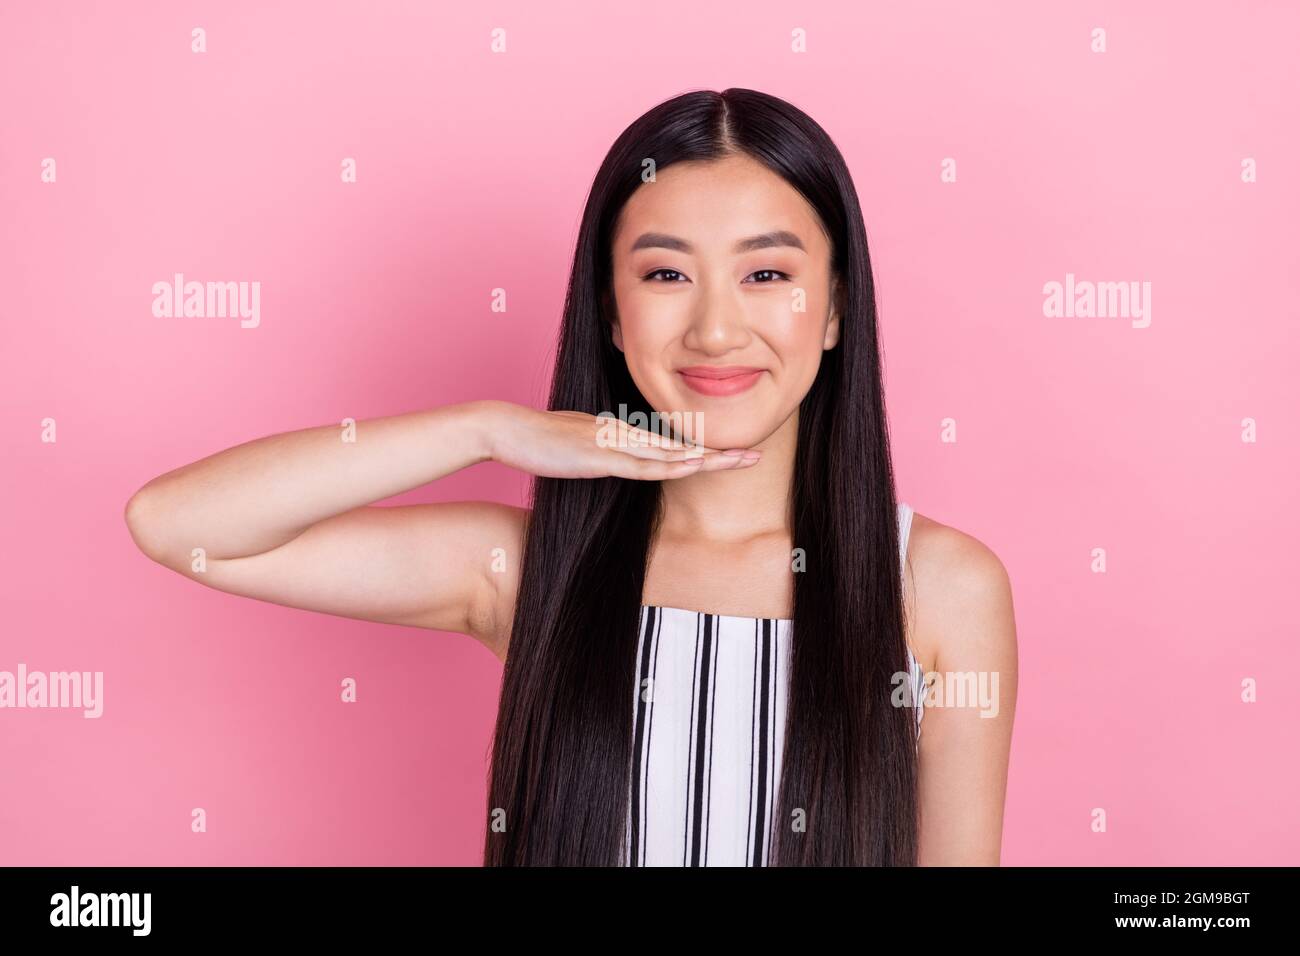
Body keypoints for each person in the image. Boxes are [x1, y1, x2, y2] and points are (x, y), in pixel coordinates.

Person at [125, 87, 1017, 867]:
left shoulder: (939, 590)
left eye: (766, 273)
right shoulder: (529, 571)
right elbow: (176, 523)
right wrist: (489, 430)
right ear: (613, 314)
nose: (713, 328)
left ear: (833, 311)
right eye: (666, 272)